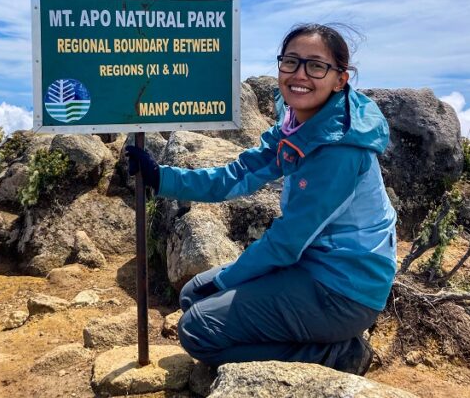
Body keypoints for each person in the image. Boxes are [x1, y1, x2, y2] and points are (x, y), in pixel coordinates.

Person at [125, 23, 397, 375]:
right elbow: (237, 175)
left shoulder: (339, 149)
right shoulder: (300, 123)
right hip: (311, 267)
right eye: (291, 62)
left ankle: (340, 354)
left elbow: (287, 243)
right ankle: (316, 342)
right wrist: (162, 177)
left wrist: (226, 280)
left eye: (316, 66)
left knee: (197, 331)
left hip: (343, 290)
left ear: (340, 79)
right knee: (193, 294)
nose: (300, 74)